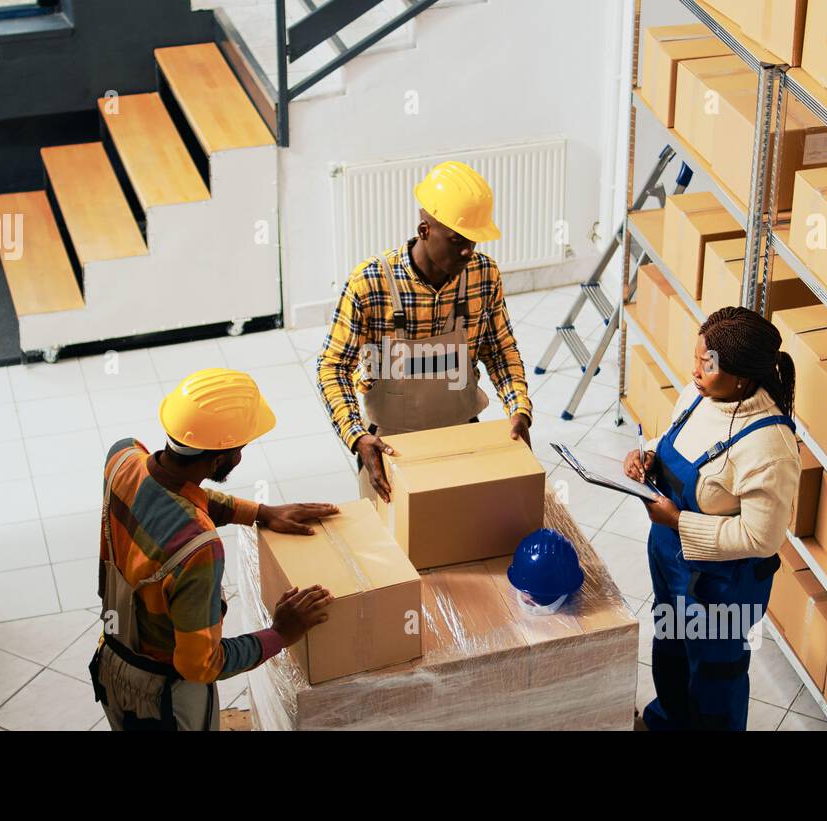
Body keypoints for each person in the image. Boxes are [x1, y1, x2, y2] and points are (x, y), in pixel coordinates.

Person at [90, 367, 339, 731]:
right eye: (239, 448)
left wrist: (259, 512)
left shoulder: (122, 457)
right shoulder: (199, 550)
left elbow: (171, 494)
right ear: (224, 457)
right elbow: (200, 665)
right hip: (165, 701)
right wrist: (281, 634)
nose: (240, 455)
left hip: (112, 663)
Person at [622, 306, 800, 731]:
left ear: (740, 376)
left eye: (707, 364)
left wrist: (679, 523)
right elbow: (669, 439)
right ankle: (668, 722)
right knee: (671, 648)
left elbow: (762, 537)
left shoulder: (770, 445)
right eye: (697, 358)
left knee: (713, 674)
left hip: (723, 585)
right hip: (670, 557)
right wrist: (646, 455)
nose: (695, 371)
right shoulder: (698, 395)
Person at [317, 160, 533, 502]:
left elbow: (500, 350)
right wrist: (356, 437)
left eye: (474, 241)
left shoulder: (484, 275)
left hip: (462, 435)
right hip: (389, 445)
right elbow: (332, 368)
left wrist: (519, 408)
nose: (468, 251)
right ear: (424, 230)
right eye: (457, 240)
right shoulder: (369, 284)